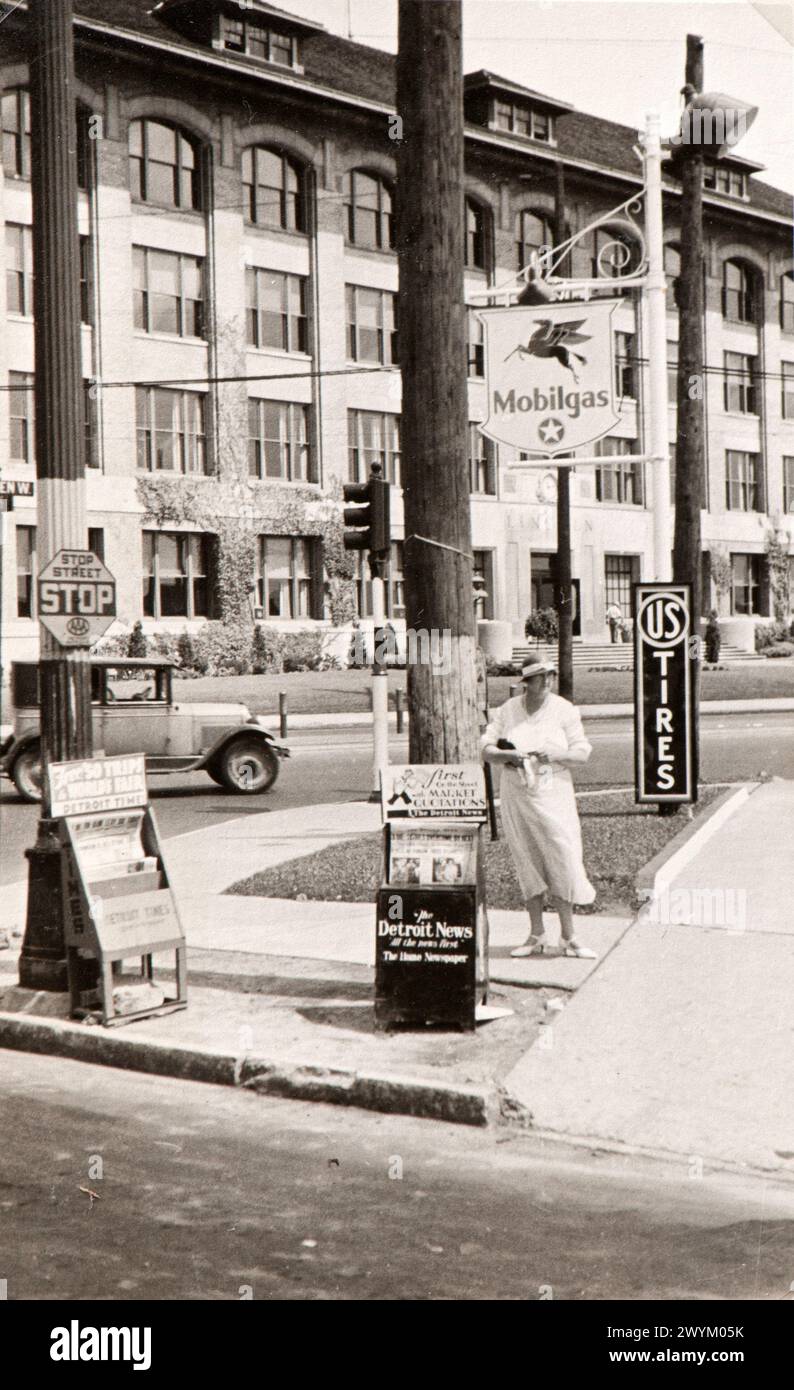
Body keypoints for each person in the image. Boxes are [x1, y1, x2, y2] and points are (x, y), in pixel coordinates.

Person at [481, 658, 596, 959]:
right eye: (538, 677)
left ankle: (569, 936)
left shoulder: (564, 710)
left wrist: (557, 754)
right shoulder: (509, 710)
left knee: (563, 855)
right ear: (526, 682)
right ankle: (536, 934)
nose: (546, 681)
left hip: (554, 791)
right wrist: (510, 754)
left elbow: (582, 752)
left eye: (550, 676)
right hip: (517, 792)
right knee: (526, 858)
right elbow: (486, 747)